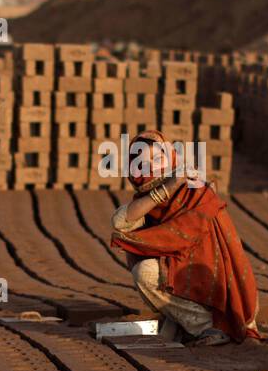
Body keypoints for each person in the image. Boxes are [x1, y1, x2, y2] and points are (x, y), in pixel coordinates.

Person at [110, 130, 259, 346]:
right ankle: (192, 322)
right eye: (143, 162)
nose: (152, 166)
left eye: (158, 158)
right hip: (185, 276)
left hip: (224, 291)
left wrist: (176, 184)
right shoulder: (151, 198)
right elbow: (120, 222)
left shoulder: (192, 188)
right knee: (141, 261)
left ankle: (209, 327)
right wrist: (167, 188)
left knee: (147, 272)